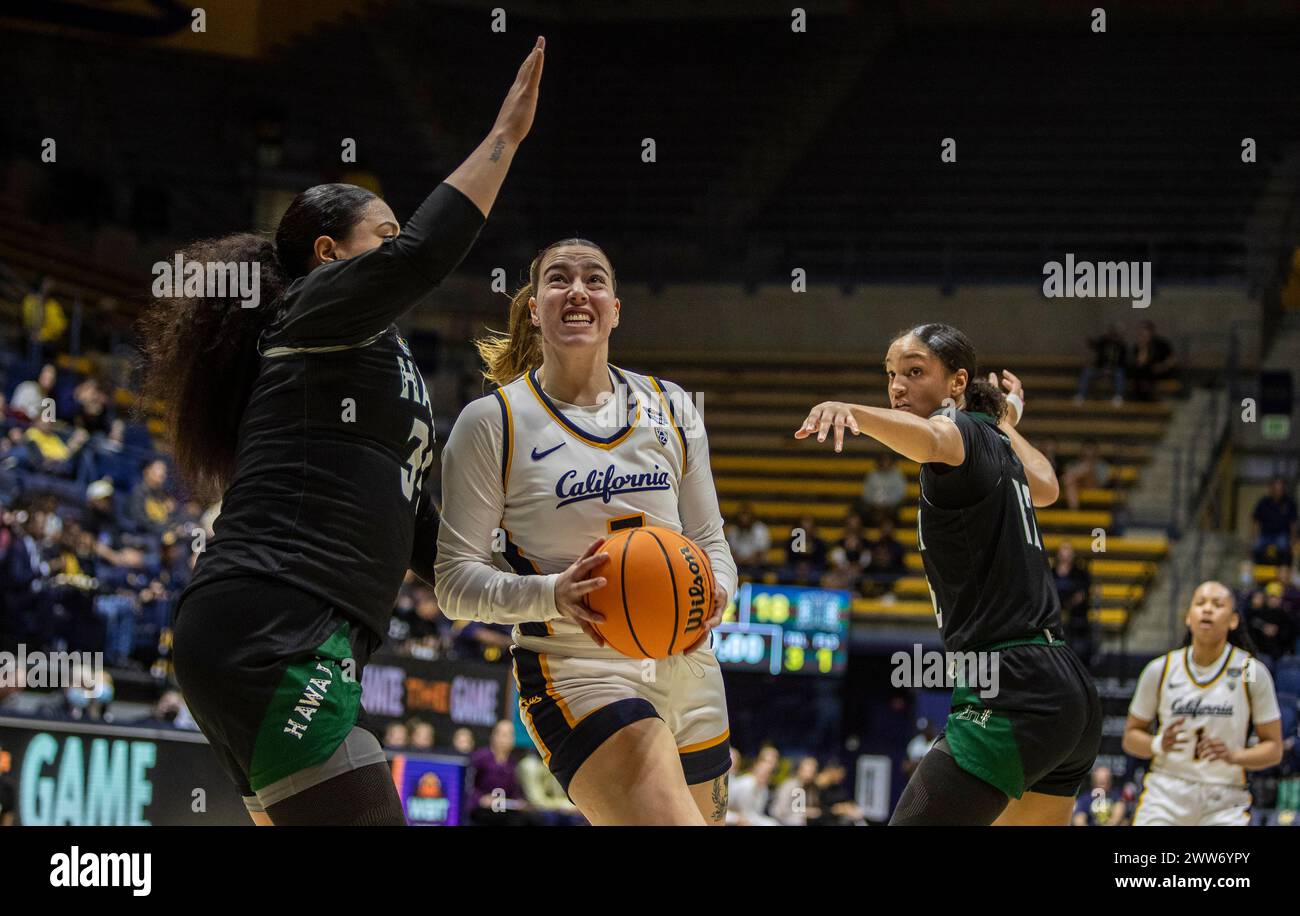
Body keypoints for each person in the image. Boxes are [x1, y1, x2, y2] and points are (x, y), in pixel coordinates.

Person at [140, 40, 545, 827]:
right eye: (381, 235)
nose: (395, 249)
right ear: (329, 255)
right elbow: (424, 254)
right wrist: (505, 138)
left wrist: (539, 594)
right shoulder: (312, 310)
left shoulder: (374, 357)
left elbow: (425, 540)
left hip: (292, 627)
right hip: (274, 623)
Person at [435, 238, 735, 826]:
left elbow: (710, 539)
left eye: (594, 279)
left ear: (615, 309)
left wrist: (717, 590)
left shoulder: (672, 406)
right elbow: (454, 583)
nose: (577, 290)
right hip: (576, 670)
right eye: (559, 279)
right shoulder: (492, 422)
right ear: (534, 308)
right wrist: (554, 593)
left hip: (689, 663)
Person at [797, 323, 1102, 825]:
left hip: (1011, 687)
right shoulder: (993, 439)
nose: (897, 387)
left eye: (915, 372)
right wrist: (1004, 419)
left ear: (957, 382)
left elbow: (934, 438)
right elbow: (1046, 486)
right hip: (1066, 690)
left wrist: (852, 412)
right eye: (891, 375)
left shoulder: (954, 430)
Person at [1122, 581, 1283, 826]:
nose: (1207, 609)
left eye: (1217, 604)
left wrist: (1235, 756)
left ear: (1233, 620)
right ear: (1188, 617)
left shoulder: (1251, 671)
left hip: (1225, 796)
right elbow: (1130, 738)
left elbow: (1274, 749)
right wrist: (1157, 743)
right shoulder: (1160, 669)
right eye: (1200, 603)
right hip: (1165, 791)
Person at [468, 719, 532, 826]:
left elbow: (514, 791)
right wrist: (480, 798)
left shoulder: (512, 763)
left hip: (504, 811)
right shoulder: (479, 758)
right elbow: (468, 786)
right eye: (504, 735)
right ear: (494, 736)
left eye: (511, 735)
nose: (507, 739)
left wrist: (519, 802)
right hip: (481, 810)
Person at [1053, 541, 1095, 667]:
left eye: (1068, 552)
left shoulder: (1080, 573)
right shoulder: (1051, 572)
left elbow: (1083, 594)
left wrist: (1068, 605)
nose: (1065, 556)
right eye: (1063, 552)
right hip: (1055, 615)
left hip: (1076, 617)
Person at [1074, 323, 1127, 406]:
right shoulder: (1103, 341)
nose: (1112, 336)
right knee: (1087, 372)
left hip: (1114, 370)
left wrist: (1111, 369)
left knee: (1120, 374)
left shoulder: (1122, 346)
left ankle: (1119, 396)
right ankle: (1081, 395)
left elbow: (1122, 362)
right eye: (1111, 333)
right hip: (1100, 368)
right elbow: (1093, 345)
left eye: (1115, 334)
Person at [1251, 477, 1297, 566]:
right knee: (1256, 546)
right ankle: (1258, 567)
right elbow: (1256, 520)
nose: (1278, 492)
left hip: (1281, 534)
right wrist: (1254, 537)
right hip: (1265, 534)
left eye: (1280, 489)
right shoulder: (1263, 503)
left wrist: (1293, 539)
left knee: (1284, 546)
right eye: (1276, 489)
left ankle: (1283, 568)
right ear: (1271, 489)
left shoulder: (1290, 503)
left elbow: (1293, 523)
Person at [1129, 320, 1177, 401]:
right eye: (1140, 331)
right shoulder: (1138, 346)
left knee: (1146, 373)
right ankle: (1141, 398)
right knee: (1139, 372)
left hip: (1161, 371)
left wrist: (1163, 366)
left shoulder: (1161, 344)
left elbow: (1172, 359)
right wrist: (1143, 347)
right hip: (1145, 373)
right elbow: (1140, 363)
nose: (1142, 333)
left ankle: (1148, 397)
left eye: (1144, 330)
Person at [1061, 439, 1112, 511]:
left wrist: (1088, 470)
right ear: (1081, 452)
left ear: (1096, 453)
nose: (1088, 454)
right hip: (1076, 488)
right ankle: (1074, 512)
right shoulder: (1073, 464)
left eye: (1091, 452)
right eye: (1086, 453)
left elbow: (1102, 484)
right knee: (1070, 483)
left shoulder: (1103, 466)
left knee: (1085, 469)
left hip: (1095, 490)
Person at [729, 753, 779, 826]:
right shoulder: (746, 783)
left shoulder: (764, 789)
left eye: (768, 773)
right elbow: (745, 814)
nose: (765, 775)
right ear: (756, 767)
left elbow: (756, 814)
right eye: (762, 771)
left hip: (746, 819)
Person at [859, 452, 906, 525]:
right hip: (873, 507)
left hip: (891, 507)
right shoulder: (872, 475)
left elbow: (900, 493)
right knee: (863, 512)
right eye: (883, 461)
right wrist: (874, 504)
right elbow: (866, 493)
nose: (885, 464)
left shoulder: (897, 475)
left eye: (887, 461)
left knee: (895, 513)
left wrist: (888, 504)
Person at [726, 503, 771, 581]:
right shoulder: (733, 531)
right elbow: (731, 553)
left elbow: (761, 553)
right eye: (742, 515)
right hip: (738, 565)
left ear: (752, 517)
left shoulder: (760, 530)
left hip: (757, 566)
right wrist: (741, 560)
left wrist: (747, 561)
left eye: (747, 515)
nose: (744, 519)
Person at [771, 755, 820, 826]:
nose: (808, 775)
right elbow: (780, 811)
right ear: (799, 770)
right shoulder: (789, 785)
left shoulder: (811, 788)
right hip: (780, 821)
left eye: (812, 772)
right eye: (806, 771)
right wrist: (805, 812)